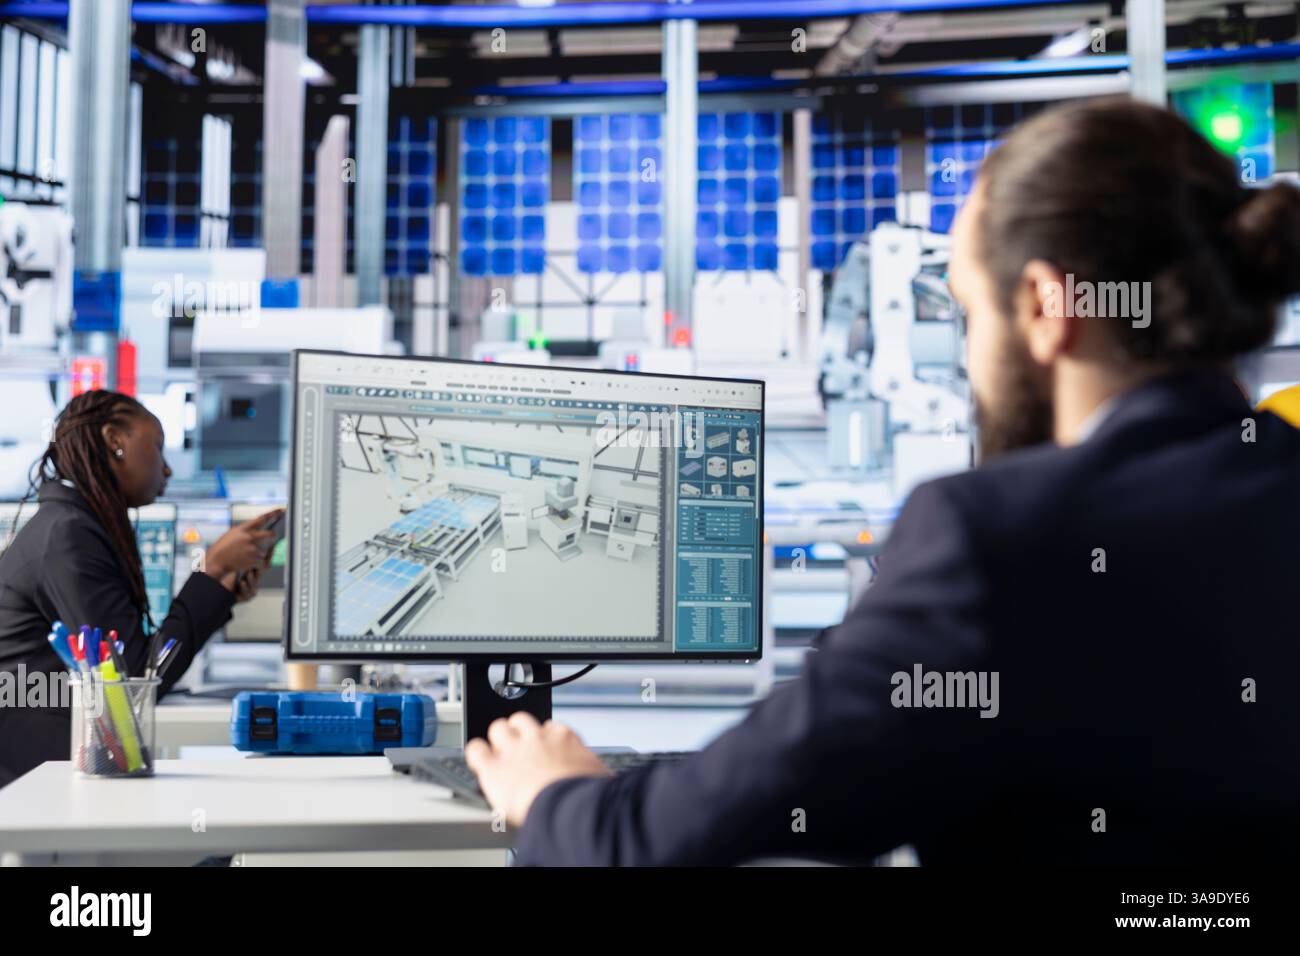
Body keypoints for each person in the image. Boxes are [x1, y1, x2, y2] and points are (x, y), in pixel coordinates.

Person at [464, 97, 1300, 865]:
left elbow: (672, 843)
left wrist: (557, 798)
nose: (969, 357)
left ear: (1049, 308)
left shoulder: (999, 540)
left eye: (971, 312)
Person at [0, 389, 281, 786]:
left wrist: (223, 587)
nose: (166, 469)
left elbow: (134, 670)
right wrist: (211, 569)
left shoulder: (74, 524)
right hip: (28, 781)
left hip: (46, 769)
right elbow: (133, 681)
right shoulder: (69, 536)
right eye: (157, 448)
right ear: (115, 440)